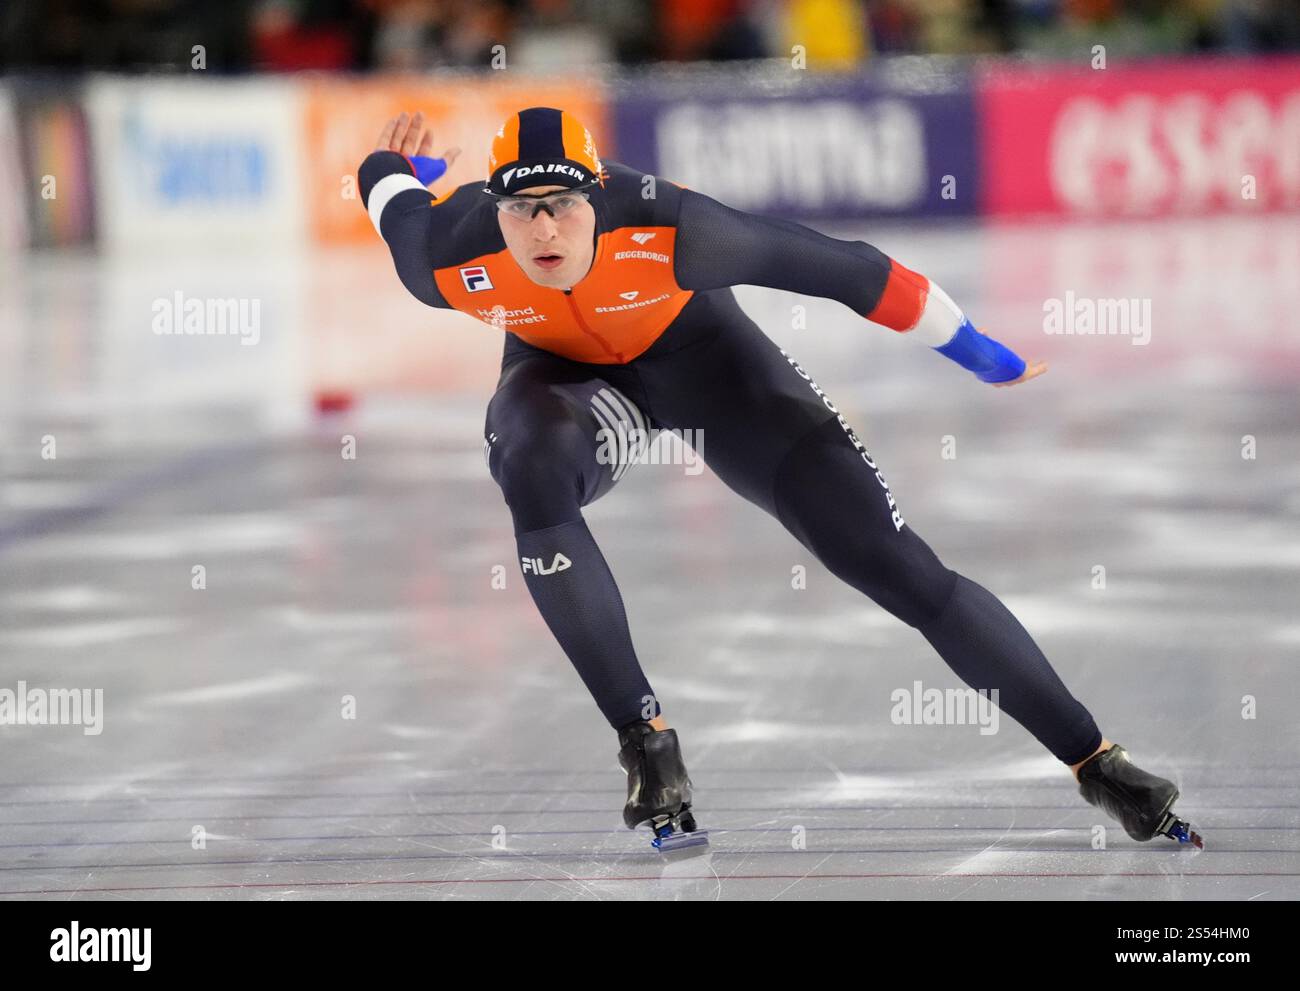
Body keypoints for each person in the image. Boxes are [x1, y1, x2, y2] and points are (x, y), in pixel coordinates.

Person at [357, 107, 1201, 851]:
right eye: (522, 210)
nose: (545, 233)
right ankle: (647, 746)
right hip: (569, 385)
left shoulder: (674, 226)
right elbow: (381, 186)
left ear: (598, 197)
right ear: (494, 210)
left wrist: (979, 350)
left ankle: (1097, 760)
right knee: (529, 465)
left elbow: (854, 270)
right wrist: (409, 174)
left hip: (708, 369)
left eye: (565, 206)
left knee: (892, 562)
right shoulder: (444, 255)